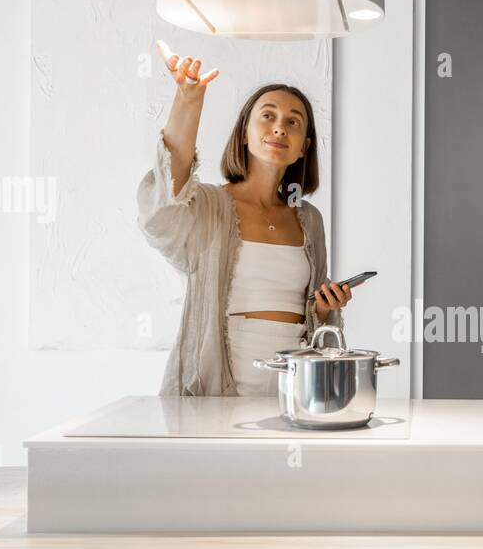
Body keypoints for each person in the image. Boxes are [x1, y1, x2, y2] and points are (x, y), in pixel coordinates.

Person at [136, 39, 353, 396]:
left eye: (293, 122)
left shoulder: (309, 219)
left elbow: (316, 322)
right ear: (245, 133)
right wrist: (189, 100)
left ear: (304, 146)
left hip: (291, 391)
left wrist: (327, 310)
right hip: (215, 386)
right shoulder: (208, 206)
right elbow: (161, 208)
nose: (280, 127)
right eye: (267, 115)